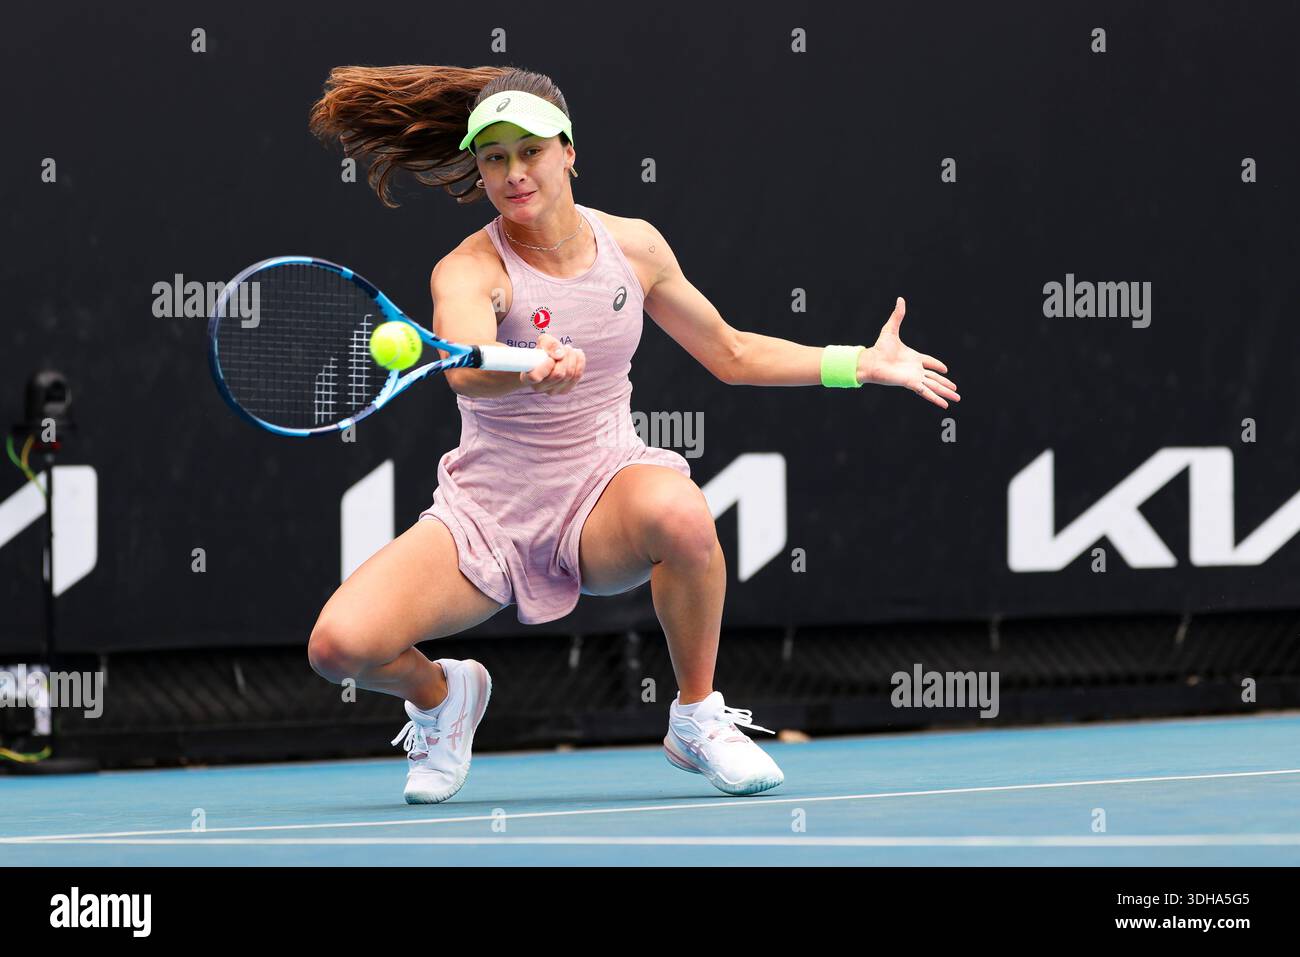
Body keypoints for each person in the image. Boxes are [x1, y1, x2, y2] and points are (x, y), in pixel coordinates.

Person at [305, 65, 960, 804]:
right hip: (484, 514)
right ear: (480, 170)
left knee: (682, 512)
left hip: (600, 493)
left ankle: (696, 717)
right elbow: (465, 366)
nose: (515, 173)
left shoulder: (635, 248)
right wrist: (526, 370)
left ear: (568, 152)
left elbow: (731, 353)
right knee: (339, 647)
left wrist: (858, 364)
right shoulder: (468, 268)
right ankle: (442, 698)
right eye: (494, 158)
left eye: (531, 151)